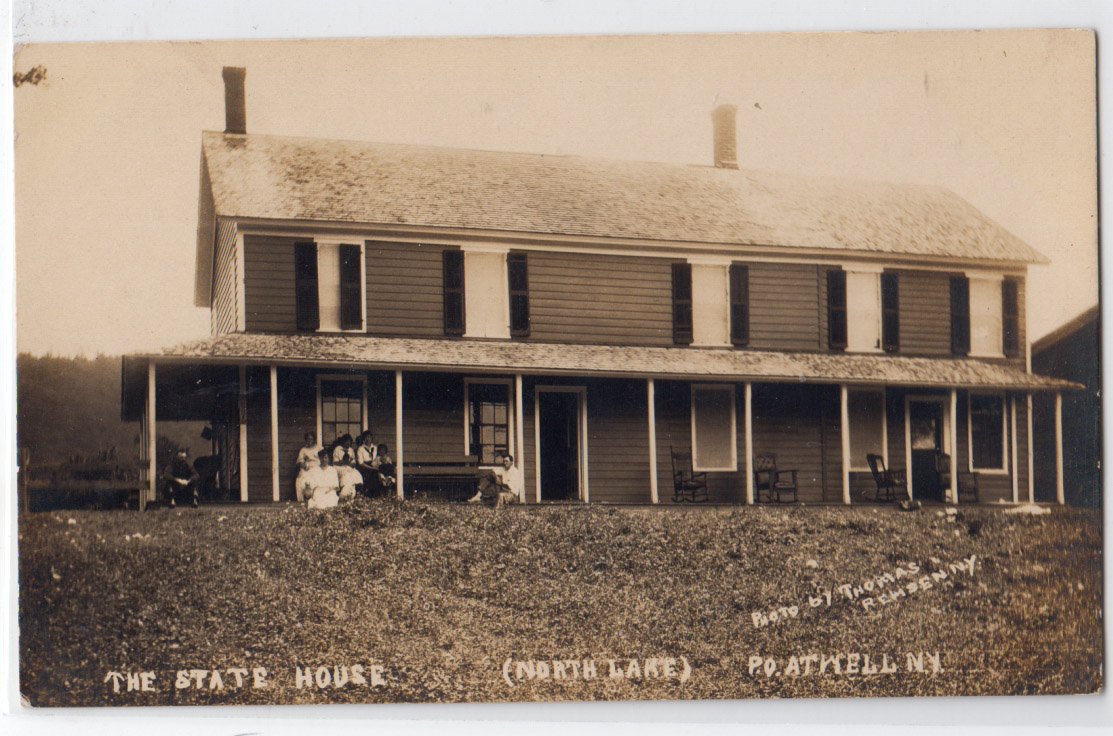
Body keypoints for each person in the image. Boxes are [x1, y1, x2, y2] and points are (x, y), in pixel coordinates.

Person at [331, 433, 361, 500]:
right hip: (339, 467)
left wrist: (349, 463)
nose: (348, 443)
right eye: (346, 441)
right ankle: (345, 492)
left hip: (348, 466)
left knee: (356, 473)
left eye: (349, 441)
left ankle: (350, 492)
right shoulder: (338, 449)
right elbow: (335, 462)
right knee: (347, 474)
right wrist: (343, 461)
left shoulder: (351, 450)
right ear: (343, 441)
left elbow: (353, 463)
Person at [294, 432, 321, 503]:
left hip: (317, 467)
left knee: (314, 479)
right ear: (305, 440)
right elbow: (300, 461)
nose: (309, 441)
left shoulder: (318, 448)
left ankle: (314, 499)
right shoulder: (303, 450)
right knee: (301, 479)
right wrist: (305, 466)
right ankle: (302, 499)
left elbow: (323, 458)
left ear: (314, 440)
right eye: (308, 439)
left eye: (311, 439)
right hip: (307, 467)